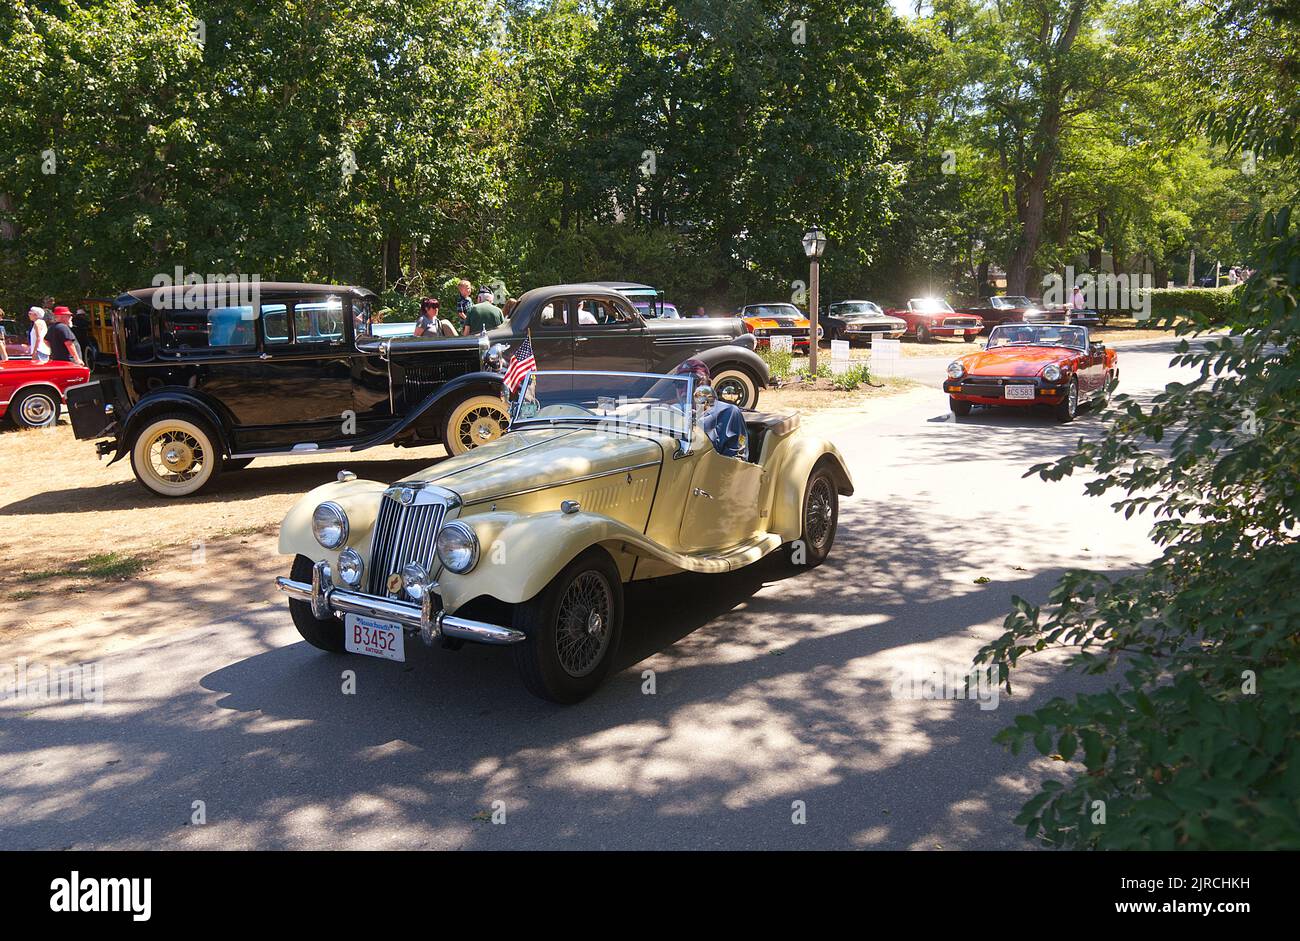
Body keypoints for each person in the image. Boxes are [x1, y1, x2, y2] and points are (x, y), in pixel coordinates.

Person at [673, 359, 748, 460]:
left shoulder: (729, 413)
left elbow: (738, 457)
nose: (686, 389)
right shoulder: (672, 412)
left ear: (707, 384)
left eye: (695, 382)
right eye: (680, 383)